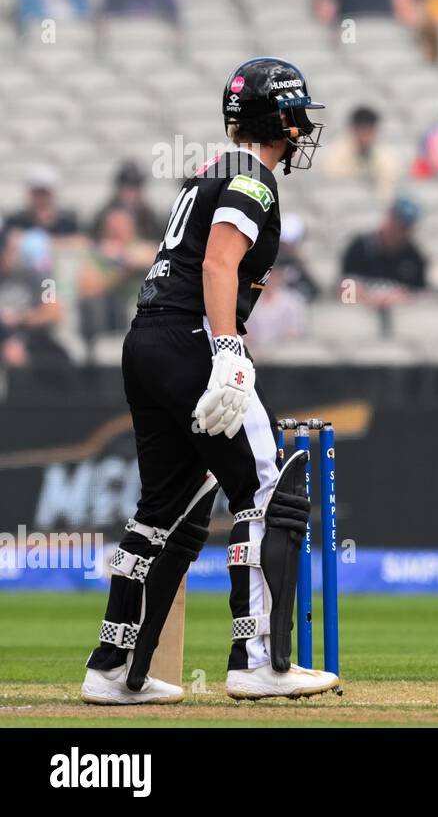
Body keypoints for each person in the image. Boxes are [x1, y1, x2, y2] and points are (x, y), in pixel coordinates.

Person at [80, 57, 338, 705]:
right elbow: (220, 263)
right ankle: (258, 661)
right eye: (296, 112)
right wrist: (227, 348)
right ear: (279, 117)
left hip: (147, 339)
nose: (304, 124)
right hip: (190, 337)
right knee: (265, 486)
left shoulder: (212, 171)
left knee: (161, 510)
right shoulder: (252, 175)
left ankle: (113, 668)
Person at [77, 206, 156, 353]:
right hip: (110, 314)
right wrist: (122, 271)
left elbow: (152, 257)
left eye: (123, 226)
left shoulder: (143, 247)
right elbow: (88, 289)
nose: (118, 231)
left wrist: (122, 258)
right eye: (113, 227)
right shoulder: (96, 254)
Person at [340, 196, 429, 309]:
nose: (398, 230)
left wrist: (403, 298)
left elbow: (421, 297)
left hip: (401, 319)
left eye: (405, 227)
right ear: (388, 218)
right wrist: (368, 299)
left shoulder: (415, 257)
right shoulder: (360, 247)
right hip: (360, 316)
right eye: (396, 222)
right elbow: (345, 294)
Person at [0, 227, 70, 368]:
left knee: (61, 357)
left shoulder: (37, 277)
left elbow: (54, 313)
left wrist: (20, 318)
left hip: (32, 339)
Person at [321, 105, 403, 202]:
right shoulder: (338, 151)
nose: (365, 136)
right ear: (353, 130)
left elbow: (391, 178)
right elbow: (333, 179)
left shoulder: (385, 153)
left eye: (369, 131)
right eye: (362, 130)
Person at [92, 161, 164, 242]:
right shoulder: (107, 213)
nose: (131, 194)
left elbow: (158, 242)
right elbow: (94, 240)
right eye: (127, 187)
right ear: (119, 188)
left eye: (135, 187)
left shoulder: (148, 216)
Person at [7, 165, 80, 239]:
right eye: (36, 193)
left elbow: (81, 243)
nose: (40, 198)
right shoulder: (15, 222)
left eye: (44, 193)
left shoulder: (68, 224)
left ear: (53, 193)